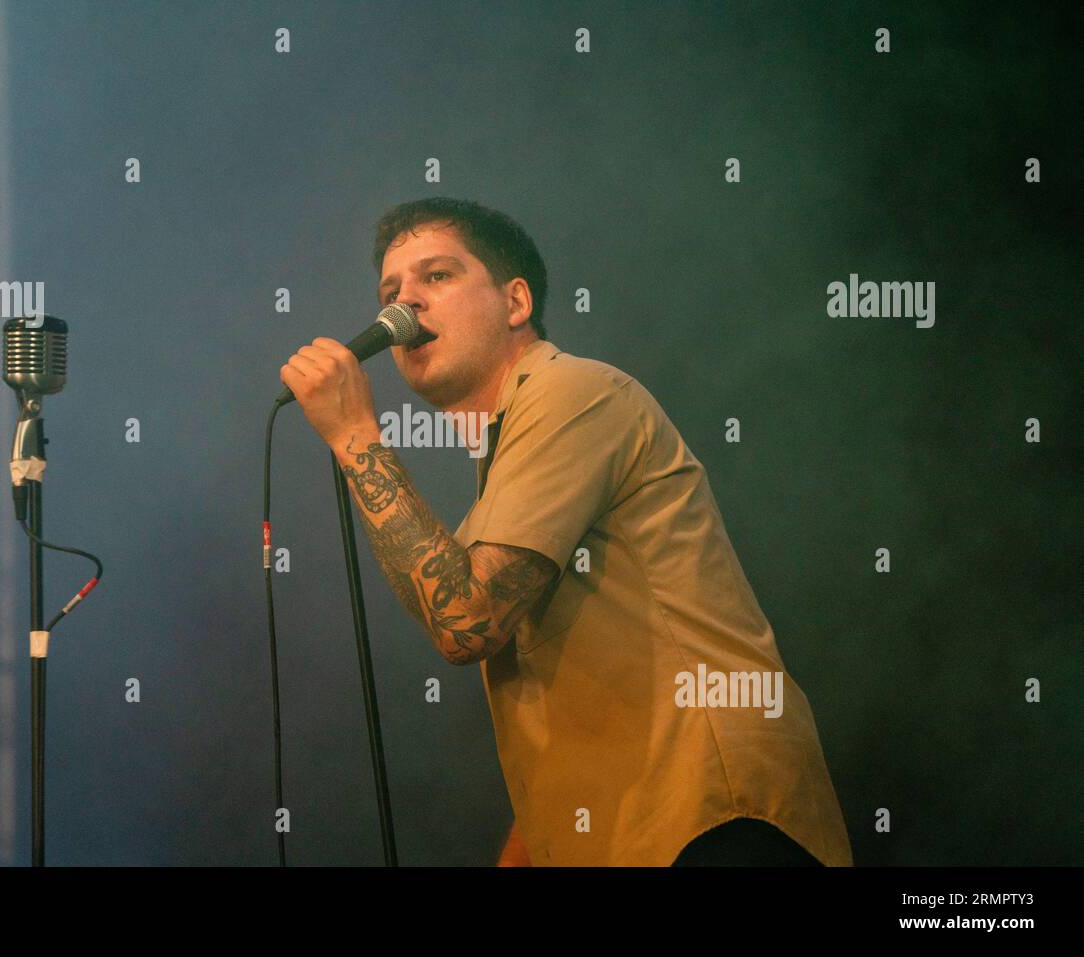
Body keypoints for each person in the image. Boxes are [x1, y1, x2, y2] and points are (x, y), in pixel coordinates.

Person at [279, 197, 853, 867]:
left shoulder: (573, 393)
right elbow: (569, 721)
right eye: (390, 289)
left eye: (436, 276)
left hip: (716, 825)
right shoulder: (501, 487)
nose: (402, 305)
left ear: (515, 301)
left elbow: (465, 618)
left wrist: (353, 434)